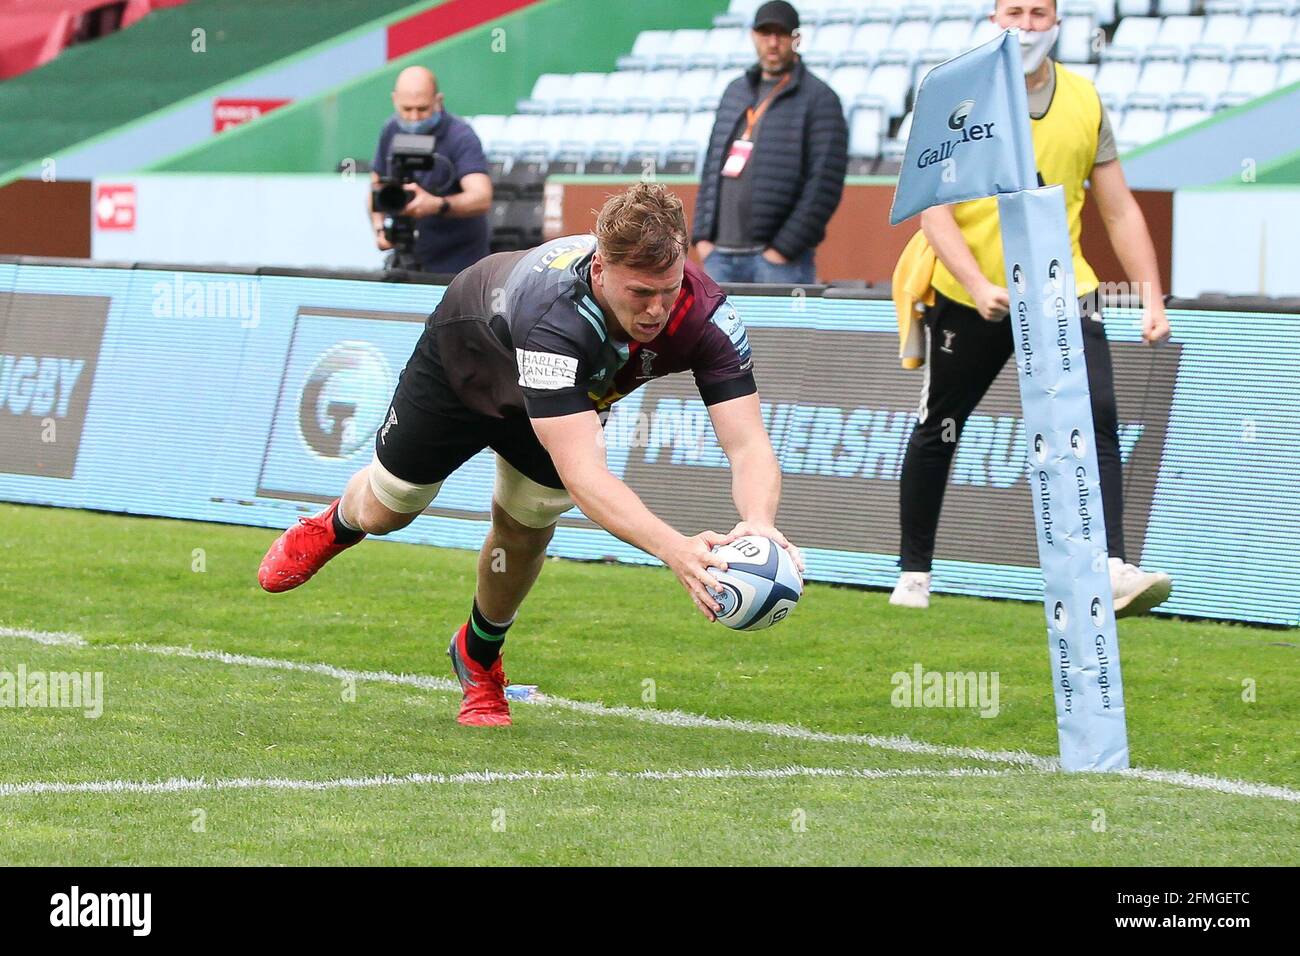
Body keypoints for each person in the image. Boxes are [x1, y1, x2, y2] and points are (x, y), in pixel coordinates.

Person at [260, 183, 803, 726]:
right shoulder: (556, 318)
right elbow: (586, 476)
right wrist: (676, 551)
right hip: (467, 358)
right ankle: (336, 524)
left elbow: (748, 442)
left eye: (670, 287)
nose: (658, 309)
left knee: (529, 520)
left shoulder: (708, 315)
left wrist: (758, 524)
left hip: (567, 391)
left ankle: (478, 653)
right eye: (640, 293)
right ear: (599, 271)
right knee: (391, 505)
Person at [890, 0, 1173, 616]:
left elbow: (1118, 208)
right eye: (1013, 11)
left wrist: (1150, 294)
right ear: (993, 19)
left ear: (1058, 21)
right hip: (973, 295)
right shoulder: (953, 95)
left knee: (1097, 414)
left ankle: (1112, 565)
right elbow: (933, 207)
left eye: (1038, 13)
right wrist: (976, 280)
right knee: (941, 425)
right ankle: (914, 572)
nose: (1025, 25)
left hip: (1062, 290)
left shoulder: (1085, 100)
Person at [692, 0, 847, 285]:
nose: (773, 42)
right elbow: (712, 165)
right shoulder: (735, 92)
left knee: (780, 333)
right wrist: (702, 237)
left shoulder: (820, 99)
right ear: (754, 36)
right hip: (719, 257)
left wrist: (782, 250)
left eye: (781, 34)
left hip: (777, 263)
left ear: (795, 39)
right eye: (766, 34)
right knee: (718, 332)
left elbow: (824, 184)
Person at [370, 66, 492, 273]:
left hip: (460, 264)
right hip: (406, 258)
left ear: (438, 100)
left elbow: (481, 196)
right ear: (395, 100)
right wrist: (381, 229)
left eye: (423, 109)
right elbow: (376, 185)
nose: (415, 117)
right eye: (407, 109)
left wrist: (437, 204)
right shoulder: (390, 129)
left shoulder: (460, 136)